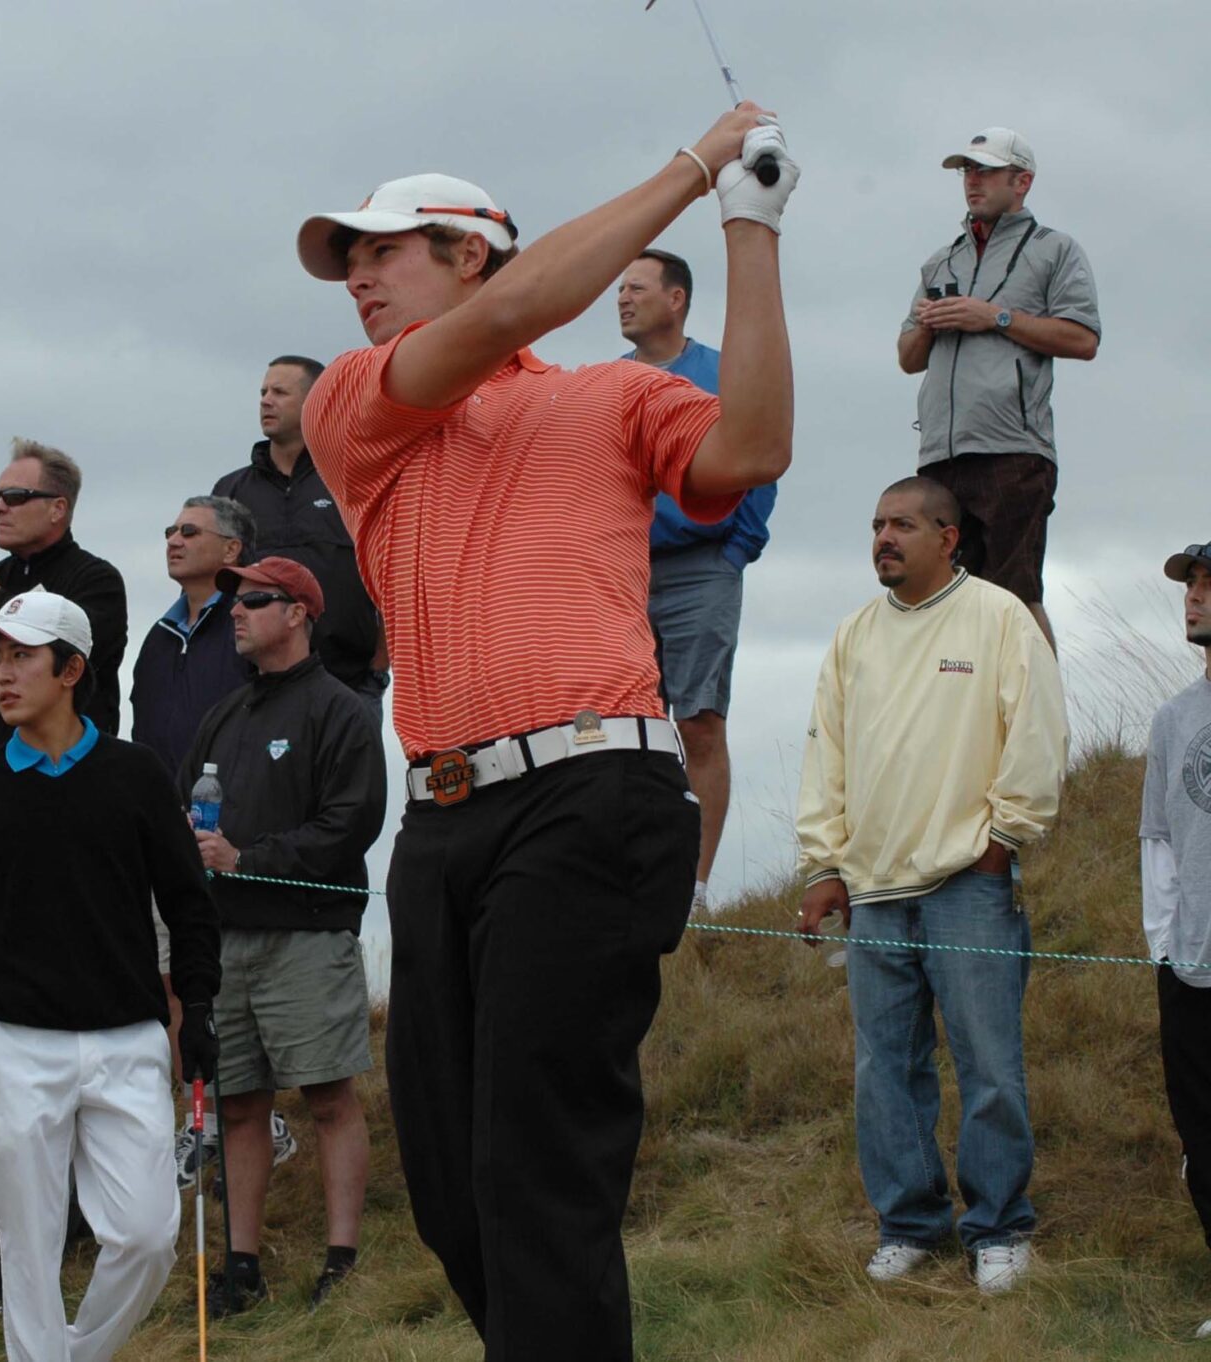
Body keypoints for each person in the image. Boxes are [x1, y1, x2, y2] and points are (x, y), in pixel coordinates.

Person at [295, 107, 799, 1357]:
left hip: (593, 798)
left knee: (534, 1174)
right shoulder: (354, 403)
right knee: (462, 1197)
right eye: (346, 258)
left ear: (472, 253)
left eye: (384, 249)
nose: (355, 277)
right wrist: (689, 165)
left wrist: (746, 226)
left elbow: (754, 445)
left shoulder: (618, 395)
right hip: (443, 819)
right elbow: (512, 322)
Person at [0, 590, 221, 1362]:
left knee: (149, 1235)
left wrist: (202, 1008)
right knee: (30, 1251)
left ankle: (71, 1355)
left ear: (72, 667)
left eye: (21, 656)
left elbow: (189, 904)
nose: (3, 674)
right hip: (16, 1045)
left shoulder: (136, 774)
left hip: (129, 1040)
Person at [797, 476, 1068, 1295]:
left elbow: (1038, 730)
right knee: (886, 1068)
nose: (884, 537)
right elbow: (826, 755)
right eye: (877, 523)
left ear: (947, 537)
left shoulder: (997, 617)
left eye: (903, 524)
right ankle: (910, 1224)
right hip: (874, 889)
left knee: (989, 1063)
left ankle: (999, 1228)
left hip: (967, 884)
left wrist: (1002, 843)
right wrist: (824, 865)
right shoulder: (852, 636)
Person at [180, 558, 386, 1316]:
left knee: (329, 1095)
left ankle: (342, 1257)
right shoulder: (224, 716)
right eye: (235, 600)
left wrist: (249, 862)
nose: (236, 612)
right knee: (238, 1103)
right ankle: (242, 1265)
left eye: (254, 600)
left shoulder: (340, 711)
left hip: (307, 935)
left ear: (297, 612)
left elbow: (350, 824)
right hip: (226, 939)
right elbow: (185, 811)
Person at [617, 248, 779, 915]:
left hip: (702, 567)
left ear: (675, 298)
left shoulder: (719, 373)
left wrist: (737, 549)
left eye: (636, 287)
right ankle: (630, 873)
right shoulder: (607, 380)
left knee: (700, 723)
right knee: (623, 727)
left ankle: (695, 887)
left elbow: (760, 457)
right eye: (619, 288)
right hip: (621, 570)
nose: (622, 298)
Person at [898, 127, 1101, 647]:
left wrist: (995, 316)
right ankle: (969, 724)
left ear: (1022, 181)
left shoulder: (1056, 250)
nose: (972, 181)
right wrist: (927, 323)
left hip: (1013, 450)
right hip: (940, 454)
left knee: (1014, 597)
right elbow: (907, 358)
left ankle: (1043, 721)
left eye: (985, 170)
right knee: (943, 600)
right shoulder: (941, 261)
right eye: (967, 171)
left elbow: (1083, 338)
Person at [0, 440, 129, 768]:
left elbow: (82, 655)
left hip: (71, 774)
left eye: (14, 497)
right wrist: (16, 668)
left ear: (57, 508)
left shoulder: (97, 580)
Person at [215, 358, 387, 717]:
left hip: (350, 682)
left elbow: (394, 569)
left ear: (315, 403)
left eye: (279, 392)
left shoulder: (356, 478)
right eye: (263, 391)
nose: (265, 400)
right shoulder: (230, 491)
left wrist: (380, 660)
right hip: (251, 685)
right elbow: (213, 583)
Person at [1141, 537, 1211, 1335]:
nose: (1192, 597)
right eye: (1189, 584)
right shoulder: (1172, 720)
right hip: (1191, 969)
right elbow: (1156, 839)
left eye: (1207, 584)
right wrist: (1165, 944)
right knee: (1202, 1132)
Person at [129, 496, 255, 782]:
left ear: (231, 549)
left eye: (189, 532)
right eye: (170, 532)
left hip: (230, 813)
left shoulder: (251, 625)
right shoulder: (158, 637)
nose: (173, 542)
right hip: (161, 812)